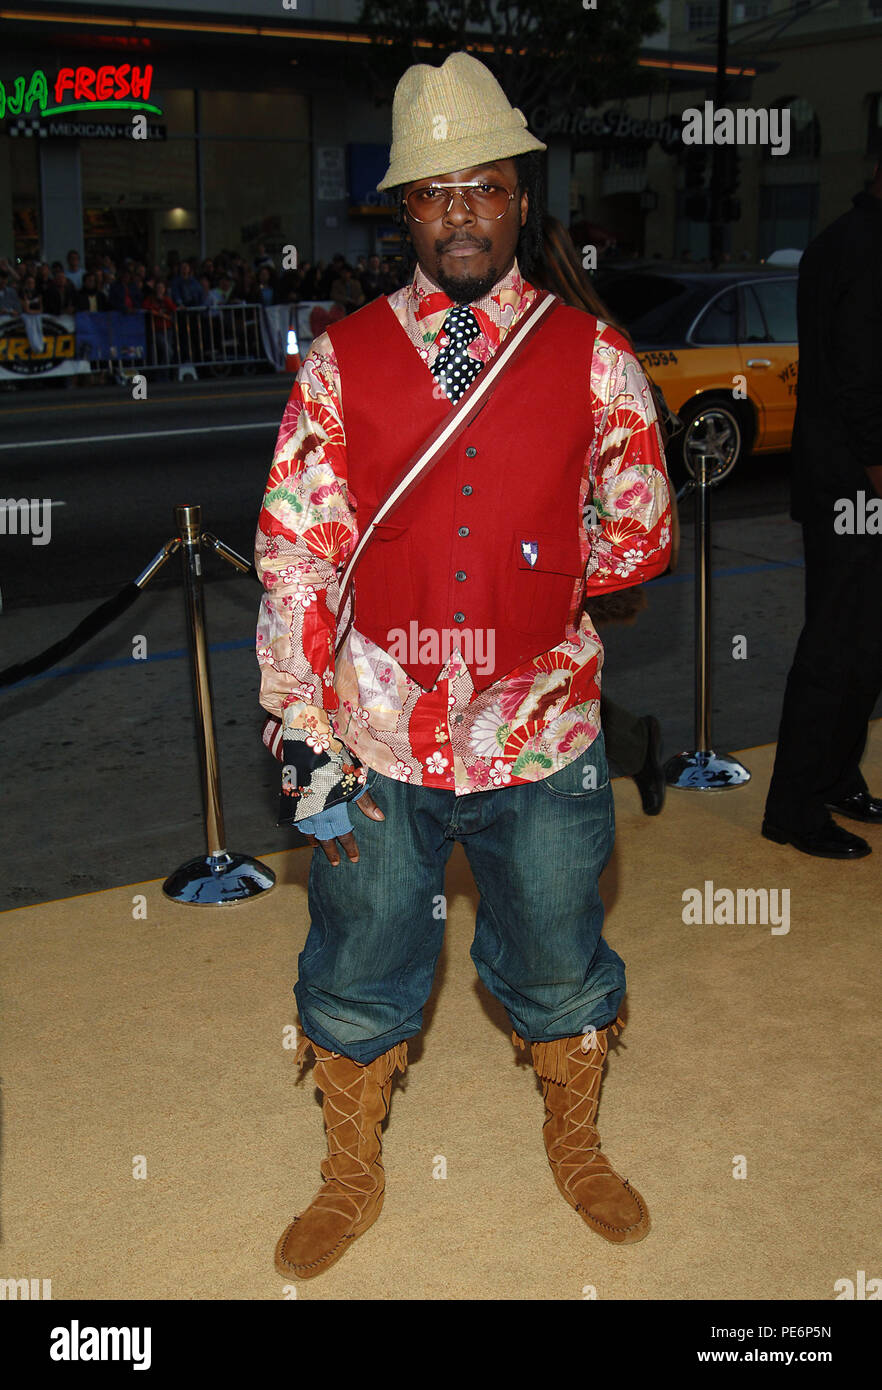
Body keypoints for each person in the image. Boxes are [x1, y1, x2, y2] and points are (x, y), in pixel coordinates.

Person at [255, 51, 671, 1283]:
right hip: (375, 732)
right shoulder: (340, 361)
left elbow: (641, 527)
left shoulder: (595, 357)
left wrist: (536, 577)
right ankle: (348, 1168)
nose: (462, 215)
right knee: (359, 957)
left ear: (520, 199)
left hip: (539, 730)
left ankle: (578, 1139)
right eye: (434, 195)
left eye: (484, 188)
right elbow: (294, 556)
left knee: (556, 951)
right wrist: (299, 726)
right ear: (405, 212)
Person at [529, 213, 681, 815]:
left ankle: (628, 750)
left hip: (568, 548)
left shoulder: (586, 341)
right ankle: (634, 745)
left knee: (547, 676)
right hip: (538, 546)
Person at [762, 152, 882, 858]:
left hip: (844, 482)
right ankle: (794, 808)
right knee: (837, 651)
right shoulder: (864, 247)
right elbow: (862, 374)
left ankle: (835, 778)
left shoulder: (841, 239)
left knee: (863, 649)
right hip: (856, 488)